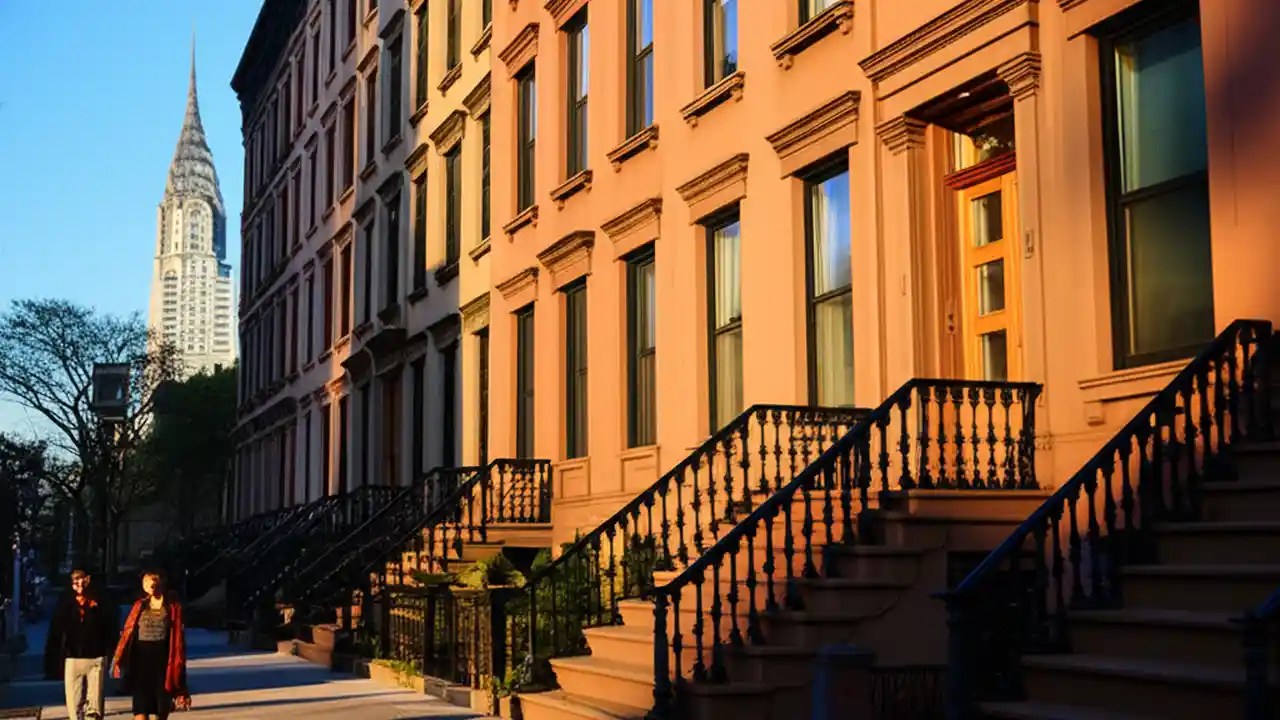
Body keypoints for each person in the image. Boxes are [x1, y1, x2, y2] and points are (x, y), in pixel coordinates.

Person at [112, 570, 191, 719]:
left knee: (162, 708)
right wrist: (120, 658)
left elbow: (178, 636)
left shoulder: (172, 606)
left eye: (154, 580)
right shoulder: (139, 605)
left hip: (163, 659)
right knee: (140, 708)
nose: (151, 584)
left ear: (161, 583)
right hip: (141, 659)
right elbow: (128, 632)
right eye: (147, 581)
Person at [44, 568, 116, 720]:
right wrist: (52, 663)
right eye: (76, 581)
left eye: (84, 579)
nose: (80, 584)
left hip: (97, 657)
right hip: (72, 658)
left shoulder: (101, 600)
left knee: (95, 708)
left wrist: (114, 655)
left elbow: (111, 628)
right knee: (74, 707)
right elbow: (56, 633)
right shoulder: (65, 602)